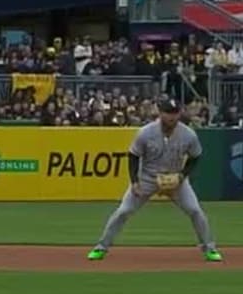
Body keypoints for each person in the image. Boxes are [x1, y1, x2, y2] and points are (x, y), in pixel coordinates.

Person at [88, 97, 222, 263]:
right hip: (148, 178)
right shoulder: (146, 132)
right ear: (160, 113)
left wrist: (182, 175)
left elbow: (195, 156)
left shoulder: (188, 134)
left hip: (175, 179)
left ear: (179, 114)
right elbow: (133, 156)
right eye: (167, 113)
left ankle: (209, 248)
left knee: (195, 210)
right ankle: (101, 247)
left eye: (174, 113)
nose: (171, 117)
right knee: (123, 211)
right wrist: (135, 182)